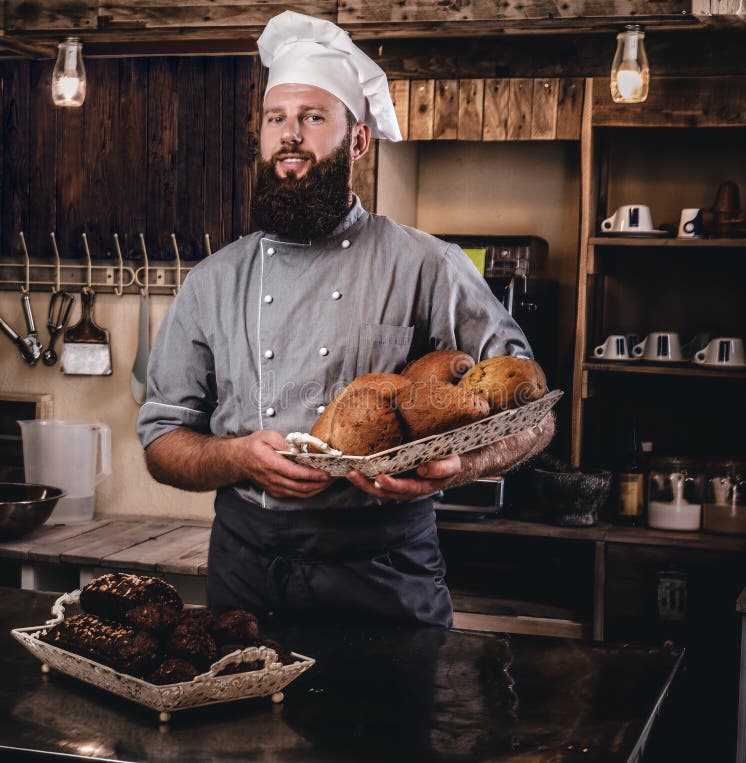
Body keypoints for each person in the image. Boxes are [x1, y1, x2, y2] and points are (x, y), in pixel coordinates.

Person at [137, 10, 555, 628]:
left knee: (389, 724)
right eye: (276, 118)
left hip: (383, 572)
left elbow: (533, 417)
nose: (290, 136)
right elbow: (161, 441)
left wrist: (459, 468)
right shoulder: (213, 281)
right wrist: (237, 459)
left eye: (313, 117)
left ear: (357, 140)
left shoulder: (426, 264)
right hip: (246, 570)